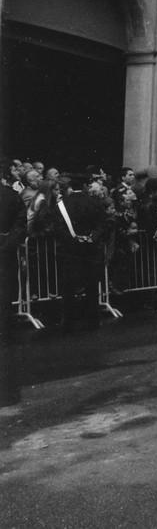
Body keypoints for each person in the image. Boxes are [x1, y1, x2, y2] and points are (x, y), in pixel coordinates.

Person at [52, 174, 107, 331]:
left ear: (70, 187)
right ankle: (93, 319)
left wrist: (75, 240)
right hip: (91, 249)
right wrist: (92, 237)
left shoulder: (61, 206)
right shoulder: (95, 203)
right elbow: (102, 224)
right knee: (91, 285)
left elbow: (59, 229)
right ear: (84, 186)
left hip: (70, 250)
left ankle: (68, 320)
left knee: (68, 286)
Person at [1, 160, 27, 406]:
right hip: (5, 253)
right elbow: (22, 226)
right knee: (5, 294)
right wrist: (7, 246)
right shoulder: (11, 196)